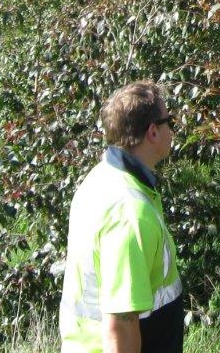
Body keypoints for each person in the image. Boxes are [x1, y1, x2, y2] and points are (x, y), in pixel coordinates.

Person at [59, 81, 184, 353]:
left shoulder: (102, 177)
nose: (171, 130)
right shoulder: (130, 213)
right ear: (153, 131)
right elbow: (121, 325)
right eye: (168, 121)